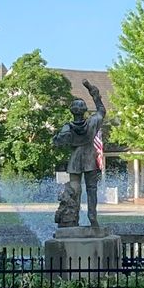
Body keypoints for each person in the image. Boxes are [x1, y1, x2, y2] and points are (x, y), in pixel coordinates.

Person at [52, 81, 108, 228]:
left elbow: (59, 142)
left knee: (74, 190)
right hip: (89, 159)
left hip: (75, 160)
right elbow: (102, 111)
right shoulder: (92, 122)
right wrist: (94, 94)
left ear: (72, 110)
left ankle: (72, 219)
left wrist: (57, 138)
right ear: (84, 110)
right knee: (92, 190)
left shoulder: (67, 127)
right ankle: (92, 216)